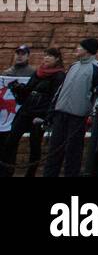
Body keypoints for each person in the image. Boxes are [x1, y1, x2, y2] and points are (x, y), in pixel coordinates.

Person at [44, 37, 98, 177]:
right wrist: (52, 110)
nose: (77, 49)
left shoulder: (97, 67)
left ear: (87, 50)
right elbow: (61, 89)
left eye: (80, 47)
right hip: (61, 113)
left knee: (73, 152)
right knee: (54, 151)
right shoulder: (73, 66)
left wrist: (92, 109)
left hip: (78, 116)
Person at [0, 48, 64, 176]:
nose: (46, 58)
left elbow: (55, 97)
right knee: (10, 141)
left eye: (50, 56)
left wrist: (45, 116)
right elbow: (28, 90)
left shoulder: (59, 75)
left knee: (34, 145)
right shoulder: (38, 72)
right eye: (45, 55)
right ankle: (5, 171)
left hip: (39, 113)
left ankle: (30, 173)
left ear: (57, 59)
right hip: (26, 111)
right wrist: (18, 88)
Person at [0, 46, 37, 167]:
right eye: (18, 53)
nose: (19, 56)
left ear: (27, 56)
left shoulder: (32, 73)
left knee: (13, 144)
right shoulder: (7, 73)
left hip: (24, 113)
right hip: (6, 114)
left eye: (23, 53)